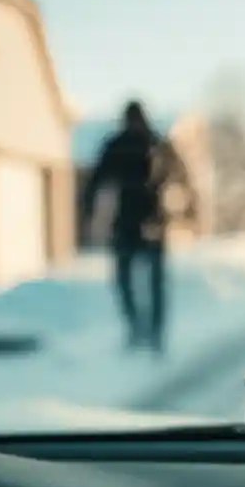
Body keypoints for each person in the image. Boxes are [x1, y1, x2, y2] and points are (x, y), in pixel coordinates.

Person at [83, 101, 191, 352]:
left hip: (137, 223)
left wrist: (89, 209)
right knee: (142, 284)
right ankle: (146, 333)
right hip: (145, 223)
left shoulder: (137, 145)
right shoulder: (152, 144)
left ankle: (147, 333)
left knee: (138, 283)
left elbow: (96, 181)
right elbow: (97, 181)